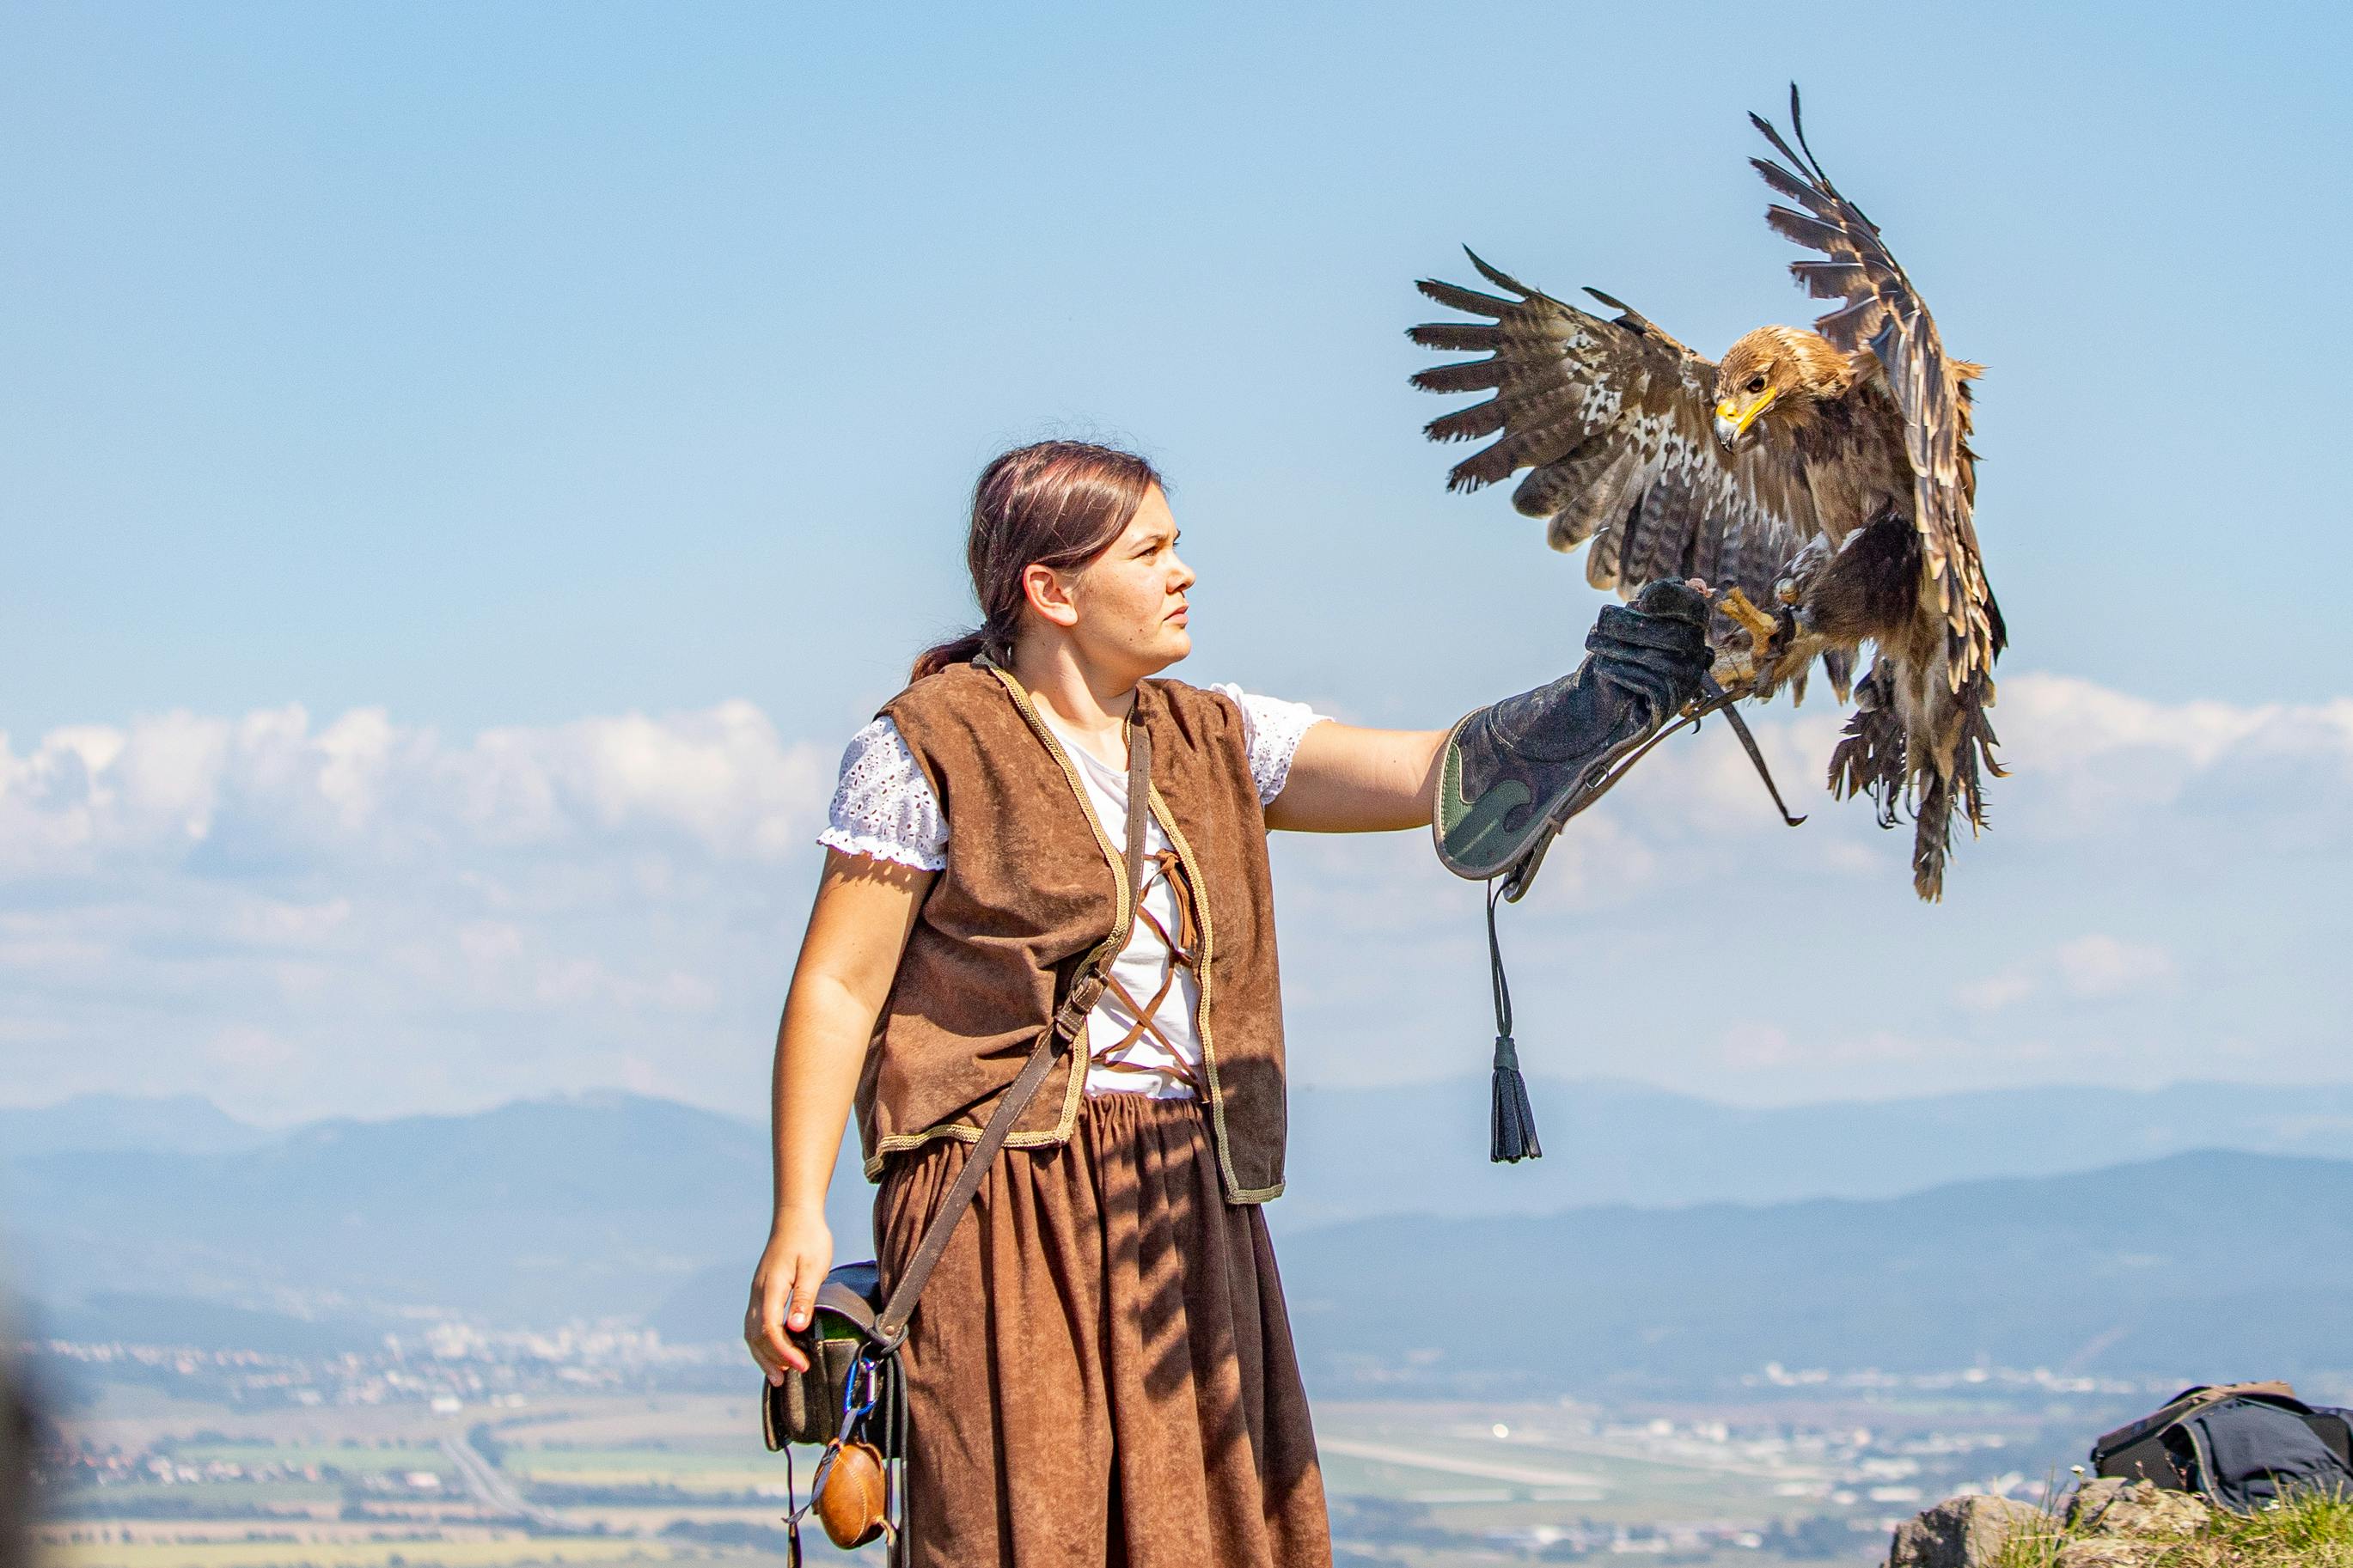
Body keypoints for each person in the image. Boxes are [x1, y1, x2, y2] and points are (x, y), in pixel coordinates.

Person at [743, 440, 1711, 1567]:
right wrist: (796, 1213)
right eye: (1150, 550)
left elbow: (1427, 774)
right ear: (1049, 590)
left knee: (1202, 1532)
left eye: (1177, 546)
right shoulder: (924, 747)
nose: (1183, 572)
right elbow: (838, 985)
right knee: (1019, 1525)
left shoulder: (1218, 735)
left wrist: (1597, 700)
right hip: (1001, 1200)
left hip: (1187, 1200)